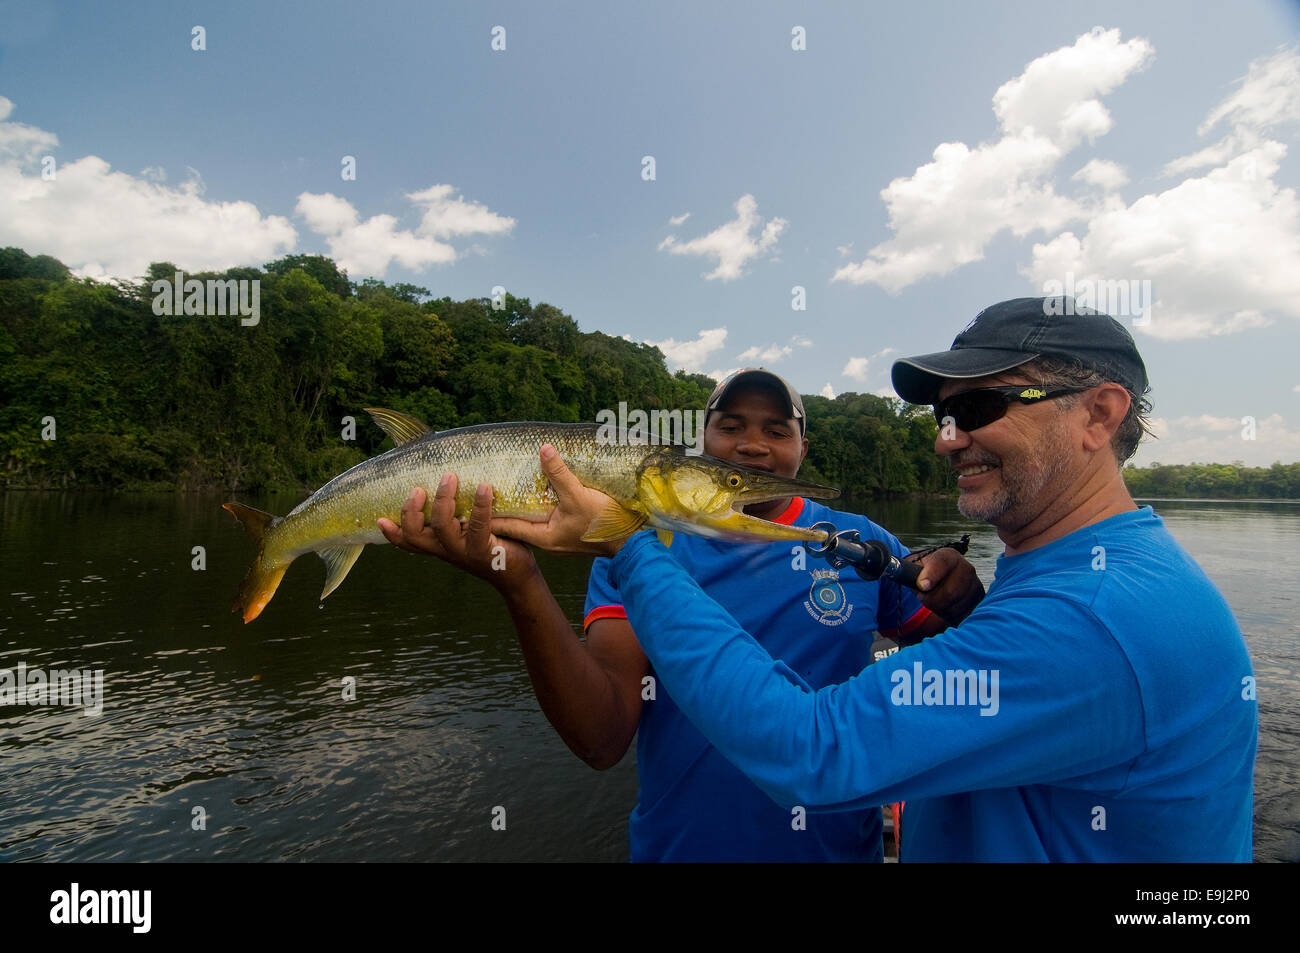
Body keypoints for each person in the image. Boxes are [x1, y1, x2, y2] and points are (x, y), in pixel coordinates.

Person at [491, 298, 1258, 861]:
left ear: (1099, 416)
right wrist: (969, 610)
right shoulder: (1067, 582)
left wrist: (625, 545)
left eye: (980, 405)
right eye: (945, 414)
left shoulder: (1096, 613)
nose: (948, 440)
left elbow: (815, 750)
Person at [379, 368, 982, 861]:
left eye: (777, 429)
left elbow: (973, 658)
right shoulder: (629, 543)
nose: (752, 443)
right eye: (730, 426)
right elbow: (601, 737)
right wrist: (520, 581)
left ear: (803, 447)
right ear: (700, 444)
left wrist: (963, 597)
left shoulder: (857, 539)